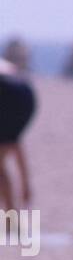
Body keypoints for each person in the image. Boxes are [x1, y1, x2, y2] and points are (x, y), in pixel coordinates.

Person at [0, 60, 36, 210]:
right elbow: (16, 143)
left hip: (7, 90)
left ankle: (10, 217)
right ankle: (11, 216)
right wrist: (25, 182)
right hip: (26, 93)